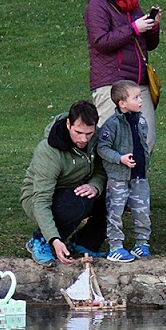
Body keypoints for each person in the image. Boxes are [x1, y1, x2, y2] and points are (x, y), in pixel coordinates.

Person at [22, 100, 107, 265]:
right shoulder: (49, 151)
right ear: (68, 124)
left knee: (118, 192)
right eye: (78, 132)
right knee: (77, 203)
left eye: (89, 133)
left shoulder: (96, 137)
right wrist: (54, 239)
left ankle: (85, 243)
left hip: (77, 187)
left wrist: (95, 186)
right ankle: (40, 240)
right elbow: (41, 200)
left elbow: (101, 171)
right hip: (39, 195)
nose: (83, 139)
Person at [85, 0, 159, 133]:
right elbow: (100, 42)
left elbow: (149, 45)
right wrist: (133, 29)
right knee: (113, 138)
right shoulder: (98, 4)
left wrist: (152, 26)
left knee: (146, 137)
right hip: (111, 83)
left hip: (139, 82)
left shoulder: (132, 4)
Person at [95, 80, 153, 261]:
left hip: (139, 176)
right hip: (118, 178)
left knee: (142, 210)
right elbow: (102, 148)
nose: (140, 100)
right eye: (136, 98)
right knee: (116, 211)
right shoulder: (112, 125)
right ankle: (115, 246)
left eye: (140, 97)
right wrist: (119, 158)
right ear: (122, 103)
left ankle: (142, 243)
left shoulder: (141, 121)